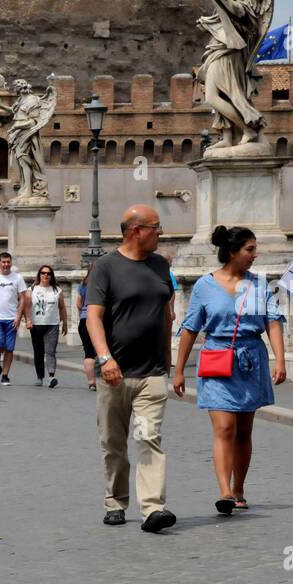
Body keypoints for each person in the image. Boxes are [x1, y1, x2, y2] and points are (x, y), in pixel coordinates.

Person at [172, 226, 286, 514]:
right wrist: (179, 370)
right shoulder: (204, 286)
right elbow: (189, 328)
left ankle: (239, 488)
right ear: (233, 252)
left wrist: (280, 359)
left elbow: (272, 321)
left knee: (244, 431)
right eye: (250, 249)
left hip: (250, 359)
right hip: (216, 358)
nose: (255, 255)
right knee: (225, 427)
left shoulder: (259, 284)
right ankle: (224, 491)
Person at [85, 205, 176, 533]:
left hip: (152, 373)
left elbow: (167, 314)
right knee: (113, 442)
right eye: (156, 227)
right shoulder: (106, 267)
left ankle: (153, 508)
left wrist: (169, 363)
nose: (161, 232)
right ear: (136, 230)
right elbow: (93, 316)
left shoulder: (161, 266)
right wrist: (105, 359)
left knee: (149, 437)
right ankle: (115, 500)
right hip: (116, 372)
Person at [0, 251, 27, 385]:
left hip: (11, 318)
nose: (6, 265)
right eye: (3, 262)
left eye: (8, 262)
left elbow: (23, 299)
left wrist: (19, 318)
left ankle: (5, 375)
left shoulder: (17, 278)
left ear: (11, 263)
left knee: (9, 348)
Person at [25, 264, 67, 388]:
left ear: (51, 276)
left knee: (51, 351)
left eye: (48, 274)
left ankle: (51, 376)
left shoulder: (57, 290)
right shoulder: (32, 290)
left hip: (52, 324)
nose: (45, 275)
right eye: (43, 273)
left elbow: (62, 307)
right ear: (39, 275)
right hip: (36, 324)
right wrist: (27, 320)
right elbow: (26, 307)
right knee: (38, 352)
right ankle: (40, 377)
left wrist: (65, 323)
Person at [76, 267, 98, 390]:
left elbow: (78, 304)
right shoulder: (103, 284)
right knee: (102, 350)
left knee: (88, 351)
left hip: (84, 320)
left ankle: (91, 382)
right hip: (98, 320)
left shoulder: (82, 284)